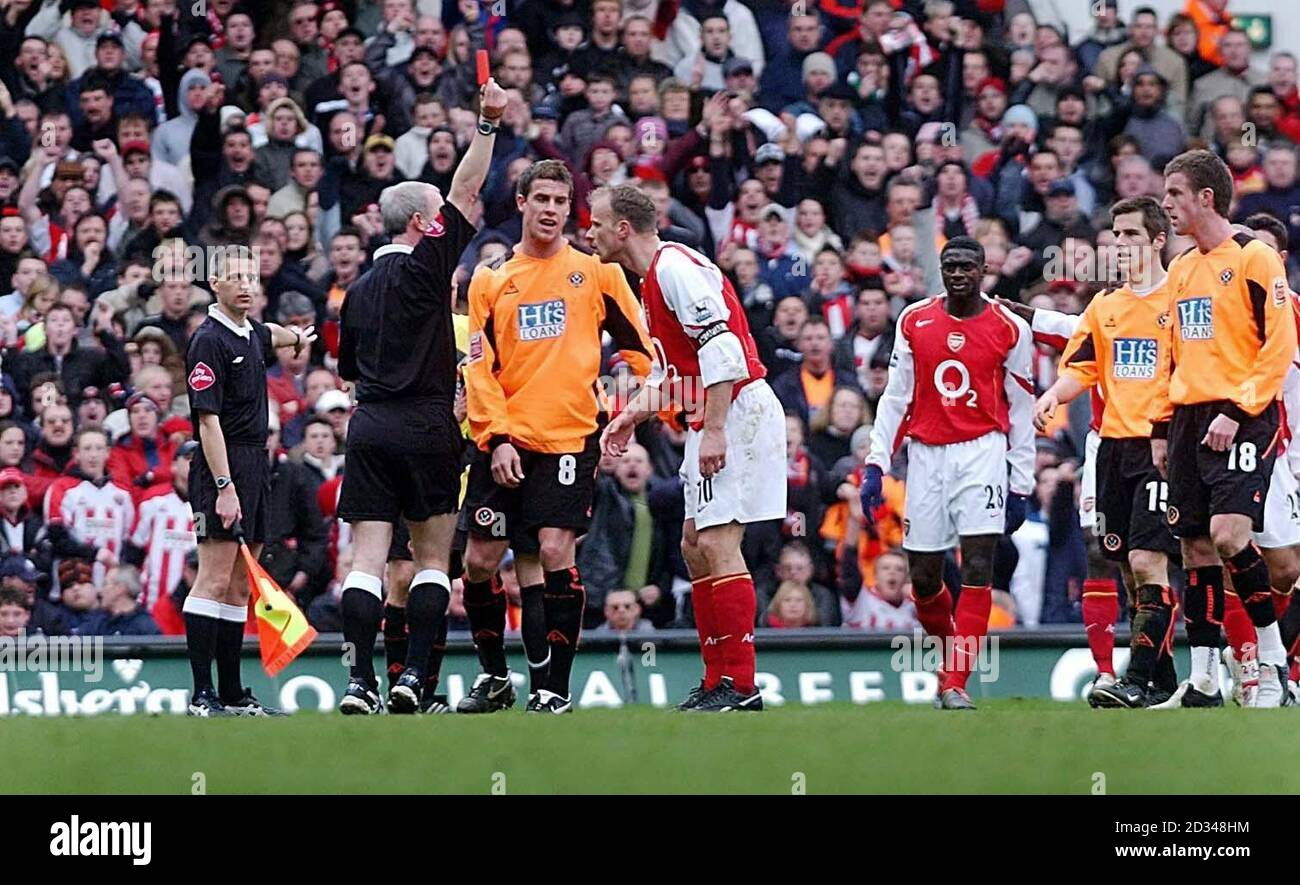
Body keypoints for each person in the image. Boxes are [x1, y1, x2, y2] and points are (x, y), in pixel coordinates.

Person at [334, 76, 506, 716]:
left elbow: (349, 370)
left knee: (365, 564)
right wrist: (486, 124)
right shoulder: (425, 267)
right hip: (429, 426)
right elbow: (465, 188)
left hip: (370, 426)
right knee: (434, 562)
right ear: (419, 223)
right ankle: (411, 680)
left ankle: (358, 684)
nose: (449, 221)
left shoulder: (353, 292)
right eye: (436, 216)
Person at [461, 161, 654, 715]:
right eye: (540, 198)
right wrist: (495, 438)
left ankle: (554, 691)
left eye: (560, 201)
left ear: (572, 210)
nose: (550, 209)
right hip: (505, 441)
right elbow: (479, 367)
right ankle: (496, 678)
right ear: (521, 202)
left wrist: (644, 411)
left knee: (551, 551)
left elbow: (645, 353)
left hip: (570, 436)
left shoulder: (597, 274)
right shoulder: (492, 280)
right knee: (478, 561)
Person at [590, 183, 786, 713]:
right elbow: (671, 372)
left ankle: (741, 686)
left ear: (623, 228)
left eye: (596, 222)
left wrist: (717, 428)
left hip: (736, 410)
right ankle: (717, 677)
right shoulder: (654, 278)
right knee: (695, 545)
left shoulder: (674, 268)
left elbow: (722, 347)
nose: (589, 232)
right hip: (713, 411)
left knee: (719, 544)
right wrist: (629, 415)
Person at [862, 237, 1035, 710]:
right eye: (950, 266)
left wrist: (1020, 481)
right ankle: (950, 660)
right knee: (922, 575)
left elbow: (1021, 407)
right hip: (927, 454)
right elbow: (896, 397)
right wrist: (877, 462)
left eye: (967, 266)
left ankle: (955, 682)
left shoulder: (1009, 327)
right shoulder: (914, 319)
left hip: (982, 451)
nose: (958, 274)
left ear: (984, 270)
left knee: (978, 564)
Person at [1151, 149, 1296, 708]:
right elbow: (1171, 355)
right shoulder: (1183, 268)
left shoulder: (1256, 258)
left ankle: (1272, 661)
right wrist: (1162, 427)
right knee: (1193, 548)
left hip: (1242, 415)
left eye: (1175, 194)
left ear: (1205, 198)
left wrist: (1236, 413)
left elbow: (1278, 346)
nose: (1167, 205)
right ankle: (1205, 679)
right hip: (1187, 419)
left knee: (1232, 534)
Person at [1032, 197, 1180, 708]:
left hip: (1162, 446)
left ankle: (1134, 681)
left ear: (1158, 240)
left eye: (1131, 235)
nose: (1121, 245)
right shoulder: (1106, 306)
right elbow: (1083, 368)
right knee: (1122, 562)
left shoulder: (1181, 300)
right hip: (1112, 448)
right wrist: (1054, 395)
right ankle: (1163, 679)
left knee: (1146, 559)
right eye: (1116, 236)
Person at [181, 244, 318, 717]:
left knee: (241, 585)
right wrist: (223, 486)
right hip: (224, 466)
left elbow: (272, 333)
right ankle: (202, 694)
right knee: (213, 578)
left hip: (257, 464)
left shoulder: (250, 333)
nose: (245, 285)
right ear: (214, 284)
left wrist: (297, 340)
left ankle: (233, 693)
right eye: (235, 277)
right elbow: (207, 422)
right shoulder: (209, 340)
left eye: (251, 277)